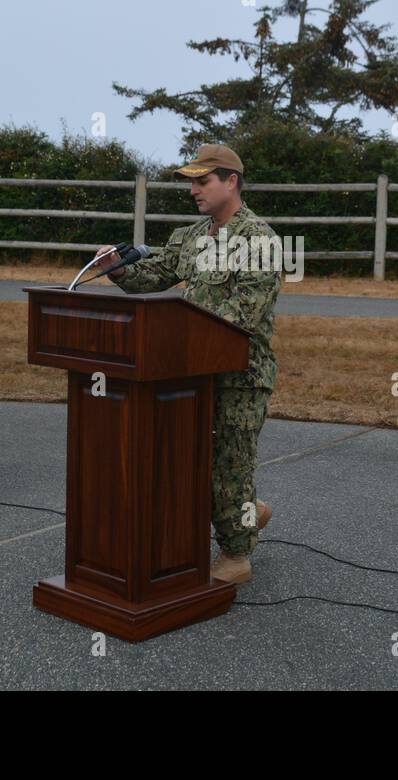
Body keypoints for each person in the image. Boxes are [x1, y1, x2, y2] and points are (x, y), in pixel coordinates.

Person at [95, 144, 282, 584]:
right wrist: (118, 270)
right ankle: (246, 512)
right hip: (189, 374)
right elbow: (152, 276)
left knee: (229, 465)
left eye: (203, 181)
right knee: (192, 461)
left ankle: (236, 556)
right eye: (191, 182)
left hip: (240, 376)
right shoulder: (190, 236)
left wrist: (182, 334)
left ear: (231, 181)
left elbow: (246, 312)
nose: (193, 190)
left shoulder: (261, 239)